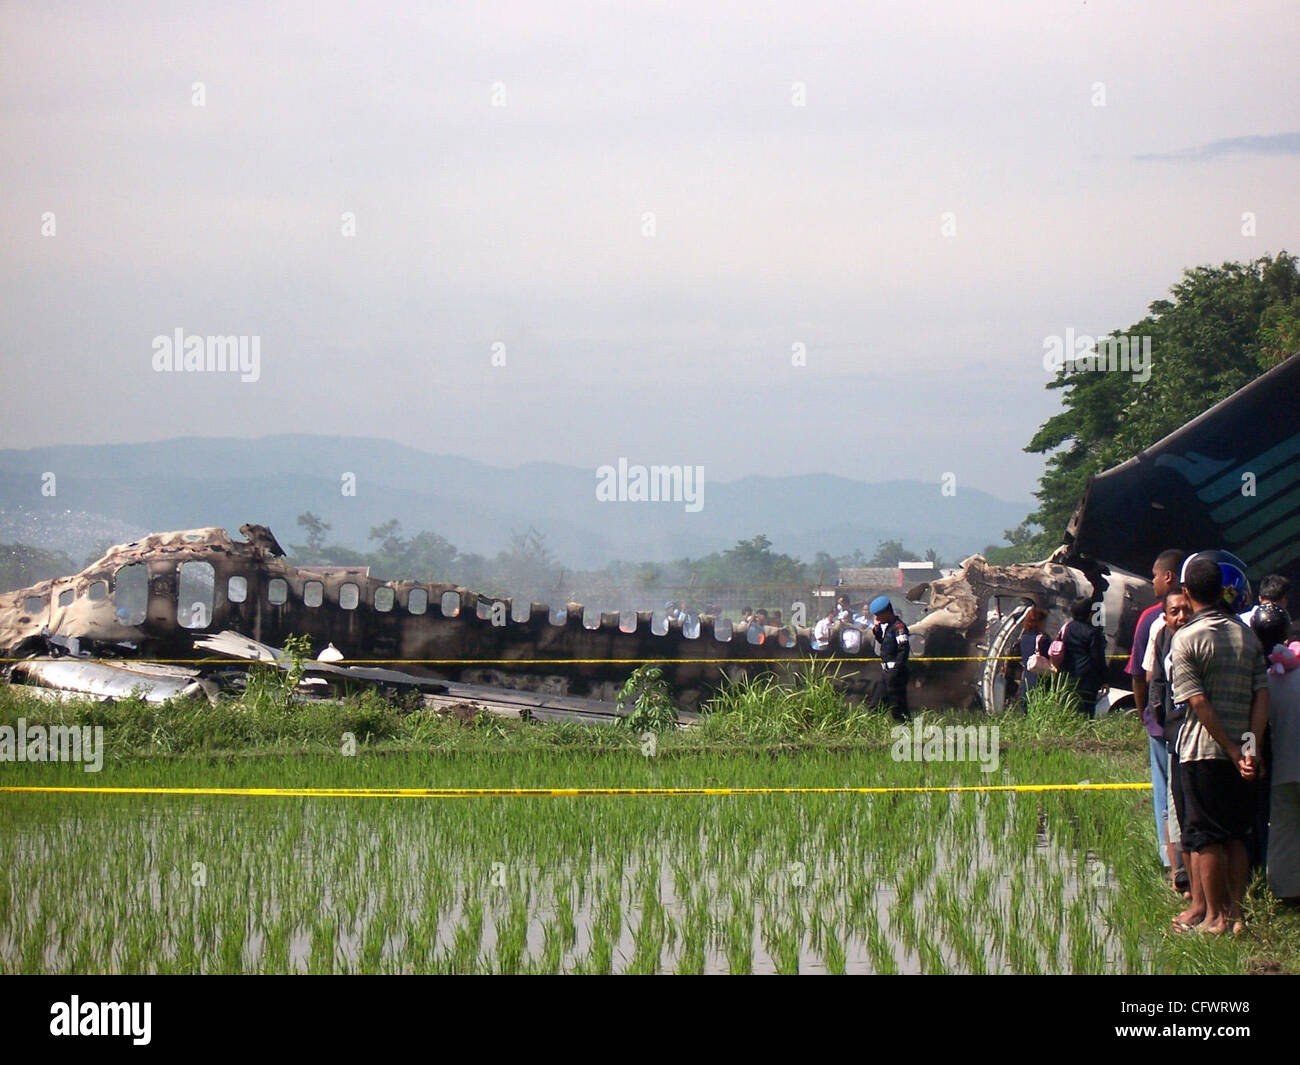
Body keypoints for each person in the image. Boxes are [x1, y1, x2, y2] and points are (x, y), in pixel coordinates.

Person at [1170, 555, 1269, 936]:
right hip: (1241, 754)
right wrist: (1249, 748)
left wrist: (1229, 748)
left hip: (1203, 751)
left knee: (1207, 836)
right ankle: (1237, 912)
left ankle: (1214, 918)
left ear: (1187, 592)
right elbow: (1261, 696)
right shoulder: (1246, 636)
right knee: (1236, 834)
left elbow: (1198, 703)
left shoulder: (1186, 639)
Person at [1129, 550, 1185, 869]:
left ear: (1168, 576)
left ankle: (1170, 861)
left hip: (1162, 723)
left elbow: (1139, 674)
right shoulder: (1198, 613)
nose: (1151, 580)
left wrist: (1145, 715)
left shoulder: (1152, 617)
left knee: (1164, 791)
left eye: (1154, 573)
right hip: (1187, 723)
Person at [1252, 604, 1300, 902]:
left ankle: (1284, 893)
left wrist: (1249, 754)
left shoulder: (1264, 679)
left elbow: (1252, 727)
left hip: (1280, 768)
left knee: (1282, 830)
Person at [1148, 589, 1193, 894]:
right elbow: (1155, 682)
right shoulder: (1163, 636)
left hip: (1199, 732)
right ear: (1165, 616)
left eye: (1185, 610)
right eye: (1174, 611)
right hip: (1173, 733)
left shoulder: (1198, 637)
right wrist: (1159, 721)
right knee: (1174, 804)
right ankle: (1180, 872)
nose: (1180, 616)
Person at [1060, 596, 1108, 717]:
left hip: (1069, 678)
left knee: (1070, 713)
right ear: (1090, 613)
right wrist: (1104, 680)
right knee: (1086, 715)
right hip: (1087, 681)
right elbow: (1098, 658)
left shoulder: (1068, 628)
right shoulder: (1092, 632)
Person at [870, 595, 911, 722]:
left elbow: (903, 650)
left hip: (895, 674)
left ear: (886, 612)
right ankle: (870, 726)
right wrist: (877, 630)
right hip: (887, 673)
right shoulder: (889, 627)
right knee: (875, 703)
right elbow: (884, 643)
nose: (876, 618)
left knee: (897, 706)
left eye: (878, 615)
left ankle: (905, 728)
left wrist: (895, 672)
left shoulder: (899, 627)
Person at [1018, 605, 1051, 709]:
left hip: (1027, 677)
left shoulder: (1023, 638)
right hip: (1041, 677)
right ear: (1039, 622)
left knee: (1027, 706)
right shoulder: (1043, 639)